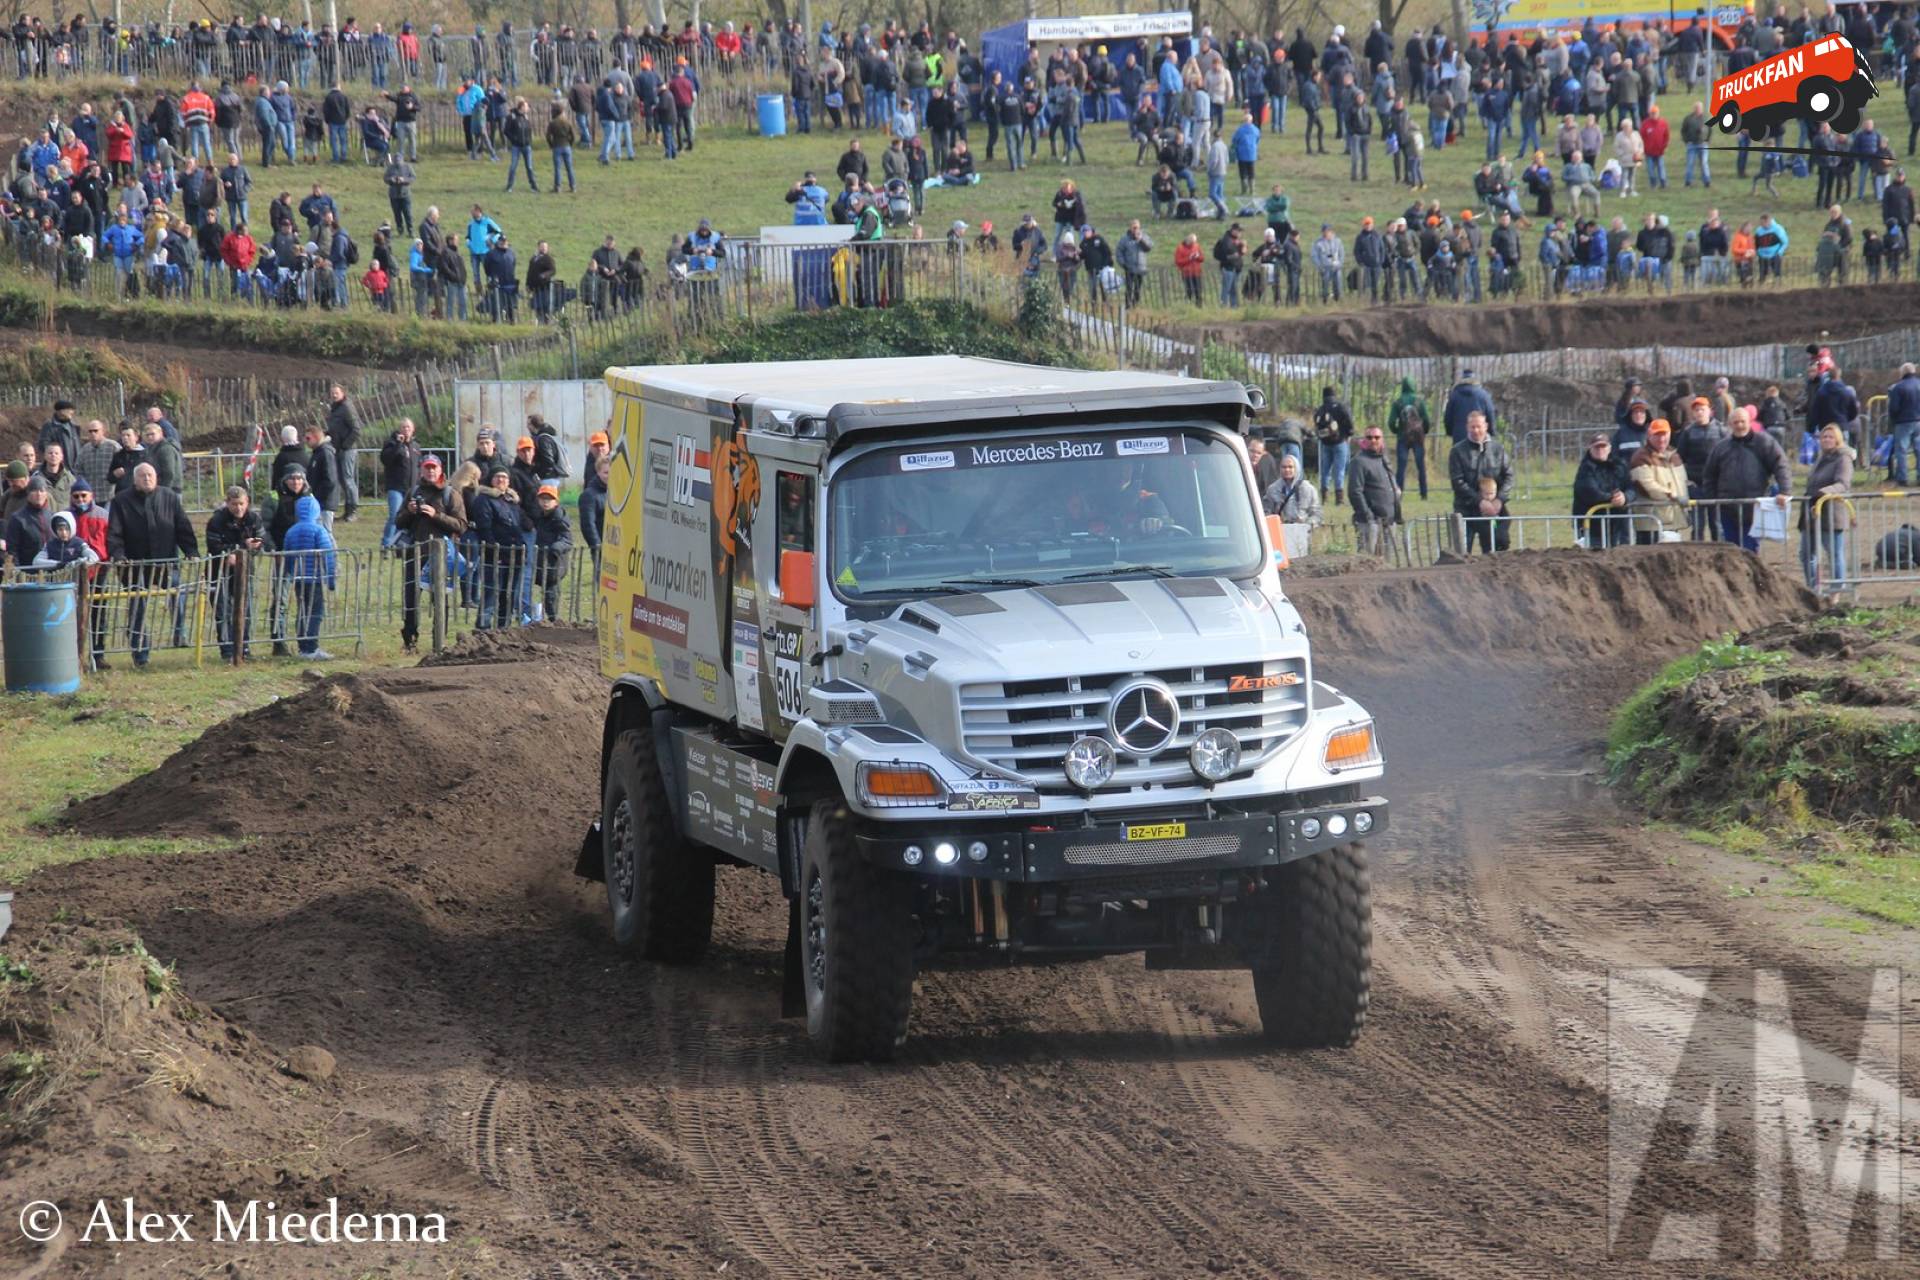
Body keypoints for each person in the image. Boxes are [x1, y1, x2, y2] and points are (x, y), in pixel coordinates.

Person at [106, 462, 198, 666]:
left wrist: (191, 551)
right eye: (142, 476)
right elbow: (114, 533)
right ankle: (141, 653)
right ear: (135, 479)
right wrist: (119, 556)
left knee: (178, 592)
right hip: (134, 564)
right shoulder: (121, 501)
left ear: (156, 477)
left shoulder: (169, 497)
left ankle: (179, 633)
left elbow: (182, 527)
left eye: (150, 475)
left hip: (165, 561)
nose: (147, 479)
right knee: (137, 606)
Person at [395, 453, 467, 651]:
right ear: (421, 470)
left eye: (433, 467)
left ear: (441, 469)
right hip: (415, 552)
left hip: (441, 555)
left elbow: (461, 525)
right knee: (411, 599)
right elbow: (398, 522)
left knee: (440, 600)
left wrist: (437, 515)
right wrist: (409, 511)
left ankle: (440, 642)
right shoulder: (414, 491)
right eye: (427, 468)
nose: (430, 471)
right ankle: (409, 641)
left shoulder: (450, 494)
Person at [1702, 406, 1790, 551]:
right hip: (1727, 508)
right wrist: (1712, 500)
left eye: (1742, 421)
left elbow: (1781, 465)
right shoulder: (1721, 448)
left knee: (1750, 552)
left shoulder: (1764, 442)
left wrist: (1785, 490)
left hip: (1754, 507)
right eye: (1735, 422)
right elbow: (1709, 474)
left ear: (1749, 421)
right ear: (1730, 425)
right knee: (1731, 551)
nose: (1739, 425)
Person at [203, 484, 264, 659]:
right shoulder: (216, 521)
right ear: (227, 504)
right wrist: (236, 550)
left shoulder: (253, 519)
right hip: (219, 572)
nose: (238, 508)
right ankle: (227, 650)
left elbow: (261, 539)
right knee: (223, 611)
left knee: (246, 609)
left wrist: (253, 546)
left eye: (241, 504)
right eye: (234, 504)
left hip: (244, 572)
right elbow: (214, 545)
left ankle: (244, 648)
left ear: (247, 502)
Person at [280, 491, 337, 659]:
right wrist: (331, 579)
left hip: (299, 579)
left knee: (302, 610)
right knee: (316, 612)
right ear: (316, 511)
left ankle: (302, 644)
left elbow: (288, 554)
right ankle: (311, 647)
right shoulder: (320, 531)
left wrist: (290, 573)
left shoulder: (291, 531)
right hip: (316, 578)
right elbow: (328, 556)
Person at [1799, 422, 1853, 596]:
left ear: (1838, 439)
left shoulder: (1843, 458)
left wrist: (1824, 492)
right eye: (1824, 437)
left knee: (1834, 553)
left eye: (1830, 437)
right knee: (1807, 553)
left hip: (1831, 512)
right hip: (1812, 512)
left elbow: (1843, 483)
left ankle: (1836, 590)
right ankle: (1814, 588)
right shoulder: (1820, 458)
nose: (1827, 440)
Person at [1449, 412, 1511, 554]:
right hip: (1466, 509)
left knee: (1496, 550)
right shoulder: (1457, 451)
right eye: (1472, 427)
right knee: (1463, 553)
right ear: (1467, 428)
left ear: (1486, 426)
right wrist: (1479, 501)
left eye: (1479, 426)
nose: (1476, 430)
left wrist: (1499, 500)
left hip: (1493, 510)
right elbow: (1457, 481)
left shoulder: (1498, 449)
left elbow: (1509, 476)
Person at [1628, 420, 1688, 545]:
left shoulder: (1675, 456)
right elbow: (1647, 486)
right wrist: (1673, 496)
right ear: (1649, 436)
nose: (1661, 439)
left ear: (1670, 434)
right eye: (1657, 435)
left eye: (1664, 434)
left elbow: (1682, 483)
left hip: (1673, 519)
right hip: (1651, 523)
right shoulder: (1640, 457)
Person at [1572, 432, 1631, 548]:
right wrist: (1613, 498)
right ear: (1590, 449)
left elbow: (1631, 487)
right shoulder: (1585, 469)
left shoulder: (1620, 465)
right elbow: (1590, 492)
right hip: (1592, 528)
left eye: (1603, 446)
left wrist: (1625, 497)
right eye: (1596, 447)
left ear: (1609, 448)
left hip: (1619, 526)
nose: (1600, 450)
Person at [1348, 427, 1399, 556]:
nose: (1373, 440)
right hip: (1370, 523)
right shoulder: (1358, 462)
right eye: (1369, 437)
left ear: (1382, 440)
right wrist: (1368, 516)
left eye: (1377, 437)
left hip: (1389, 519)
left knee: (1387, 565)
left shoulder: (1384, 460)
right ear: (1364, 440)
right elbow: (1355, 492)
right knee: (1367, 562)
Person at [529, 482, 573, 622]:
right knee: (545, 591)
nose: (546, 502)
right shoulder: (541, 516)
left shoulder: (559, 517)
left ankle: (553, 619)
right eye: (543, 499)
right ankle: (545, 617)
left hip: (554, 561)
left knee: (551, 593)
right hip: (542, 559)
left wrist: (555, 548)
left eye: (549, 499)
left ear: (556, 501)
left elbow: (567, 540)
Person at [379, 418, 421, 550]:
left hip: (412, 488)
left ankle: (401, 543)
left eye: (408, 427)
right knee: (395, 515)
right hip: (396, 487)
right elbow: (386, 459)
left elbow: (418, 466)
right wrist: (398, 444)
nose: (406, 430)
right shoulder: (391, 443)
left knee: (409, 516)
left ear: (413, 430)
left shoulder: (416, 446)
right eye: (403, 427)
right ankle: (386, 544)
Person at [1386, 375, 1431, 499]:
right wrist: (1424, 432)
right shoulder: (1419, 402)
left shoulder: (1398, 402)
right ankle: (1424, 493)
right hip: (1418, 438)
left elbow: (1391, 422)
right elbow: (1427, 420)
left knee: (1401, 467)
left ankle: (1399, 493)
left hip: (1403, 437)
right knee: (1421, 466)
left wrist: (1396, 431)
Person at [325, 384, 362, 521]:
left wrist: (345, 445)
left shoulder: (346, 407)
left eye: (336, 392)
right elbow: (335, 429)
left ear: (342, 393)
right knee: (342, 479)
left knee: (348, 479)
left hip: (347, 450)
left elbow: (356, 429)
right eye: (332, 393)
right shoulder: (335, 409)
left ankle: (353, 510)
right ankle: (347, 511)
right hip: (338, 448)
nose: (334, 395)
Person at [1312, 386, 1354, 505]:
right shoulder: (1340, 407)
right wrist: (1349, 433)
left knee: (1325, 471)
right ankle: (1339, 499)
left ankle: (1324, 497)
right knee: (1339, 470)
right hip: (1340, 442)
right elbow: (1349, 420)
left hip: (1325, 443)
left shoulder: (1321, 409)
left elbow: (1316, 422)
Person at [1262, 452, 1321, 526]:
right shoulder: (1272, 489)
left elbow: (1316, 513)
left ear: (1296, 468)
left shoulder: (1308, 489)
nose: (1287, 470)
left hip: (1303, 529)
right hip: (1280, 529)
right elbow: (1266, 513)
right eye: (1284, 467)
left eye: (1290, 467)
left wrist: (1307, 525)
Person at [1888, 363, 1920, 488]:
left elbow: (1894, 407)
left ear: (1902, 372)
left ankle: (1902, 478)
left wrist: (1894, 419)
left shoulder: (1898, 387)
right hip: (1919, 421)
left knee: (1901, 451)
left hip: (1903, 421)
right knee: (1919, 449)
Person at [1442, 369, 1496, 442]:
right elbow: (1490, 414)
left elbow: (1448, 418)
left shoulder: (1454, 396)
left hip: (1459, 436)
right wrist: (1491, 432)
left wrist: (1450, 432)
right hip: (1479, 435)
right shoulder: (1484, 395)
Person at [305, 422, 339, 528]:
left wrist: (317, 497)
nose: (306, 442)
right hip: (320, 501)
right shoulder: (317, 452)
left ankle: (334, 546)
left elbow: (330, 480)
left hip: (325, 502)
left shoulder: (325, 453)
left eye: (308, 438)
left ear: (316, 437)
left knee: (325, 532)